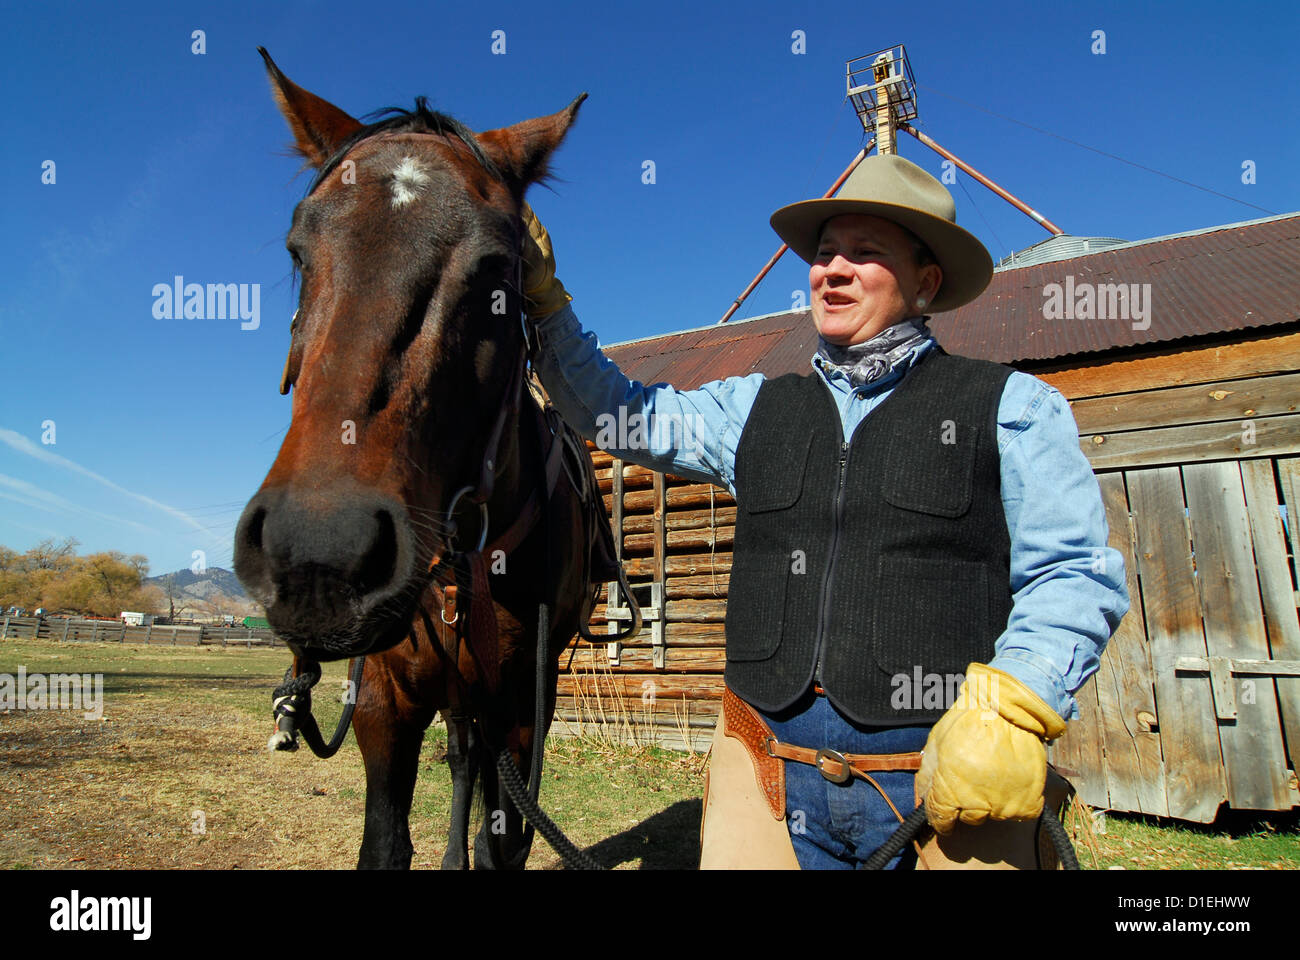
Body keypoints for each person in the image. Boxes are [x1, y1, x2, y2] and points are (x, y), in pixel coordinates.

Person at [520, 153, 1129, 869]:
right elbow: (616, 414)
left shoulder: (1013, 407)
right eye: (825, 253)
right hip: (766, 775)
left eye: (866, 254)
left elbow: (1073, 574)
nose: (832, 269)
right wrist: (547, 304)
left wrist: (1013, 706)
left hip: (940, 790)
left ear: (926, 282)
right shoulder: (752, 409)